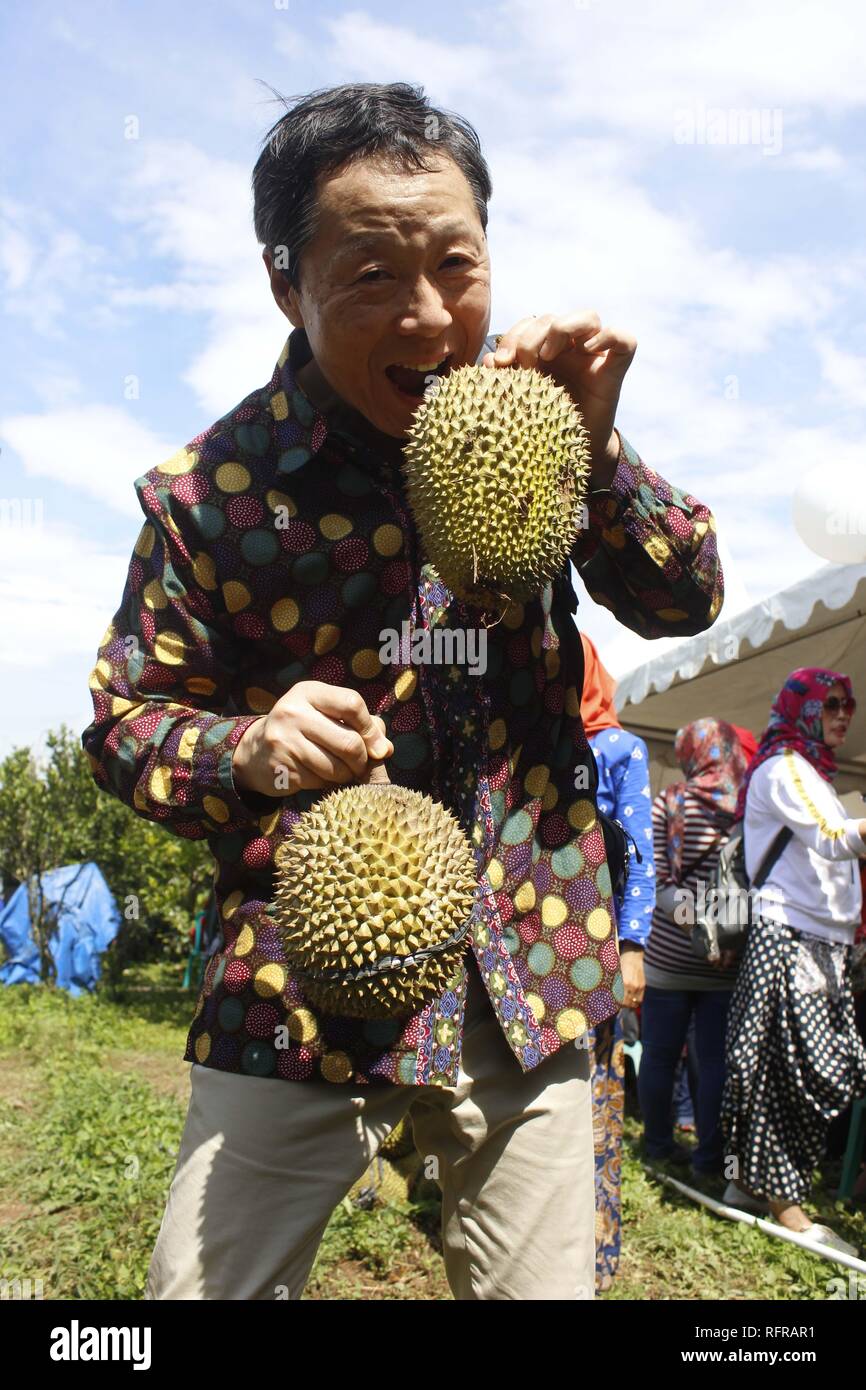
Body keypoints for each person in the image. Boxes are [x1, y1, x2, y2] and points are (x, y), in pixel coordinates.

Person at [80, 81, 724, 1301]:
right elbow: (123, 722)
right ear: (287, 283)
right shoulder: (211, 495)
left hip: (531, 958)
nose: (430, 318)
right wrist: (248, 748)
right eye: (372, 273)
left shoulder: (531, 424)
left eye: (455, 265)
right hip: (296, 977)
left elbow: (682, 599)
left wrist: (594, 455)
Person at [721, 668, 866, 1254]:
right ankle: (787, 1208)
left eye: (848, 706)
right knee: (790, 1073)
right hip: (790, 939)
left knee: (787, 1068)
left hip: (818, 942)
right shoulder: (785, 769)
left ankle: (744, 1185)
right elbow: (832, 837)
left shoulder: (812, 772)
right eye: (830, 704)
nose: (842, 715)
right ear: (803, 708)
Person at [639, 718, 751, 1176]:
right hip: (724, 957)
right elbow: (749, 882)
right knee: (715, 1064)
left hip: (668, 957)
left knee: (660, 1055)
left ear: (689, 754)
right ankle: (710, 1158)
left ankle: (657, 1146)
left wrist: (692, 929)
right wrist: (720, 937)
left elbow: (660, 883)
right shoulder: (744, 808)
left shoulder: (670, 802)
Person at [579, 632, 653, 1290]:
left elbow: (641, 857)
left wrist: (632, 948)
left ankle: (593, 1254)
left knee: (596, 1095)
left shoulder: (620, 750)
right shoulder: (518, 745)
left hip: (596, 946)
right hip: (526, 944)